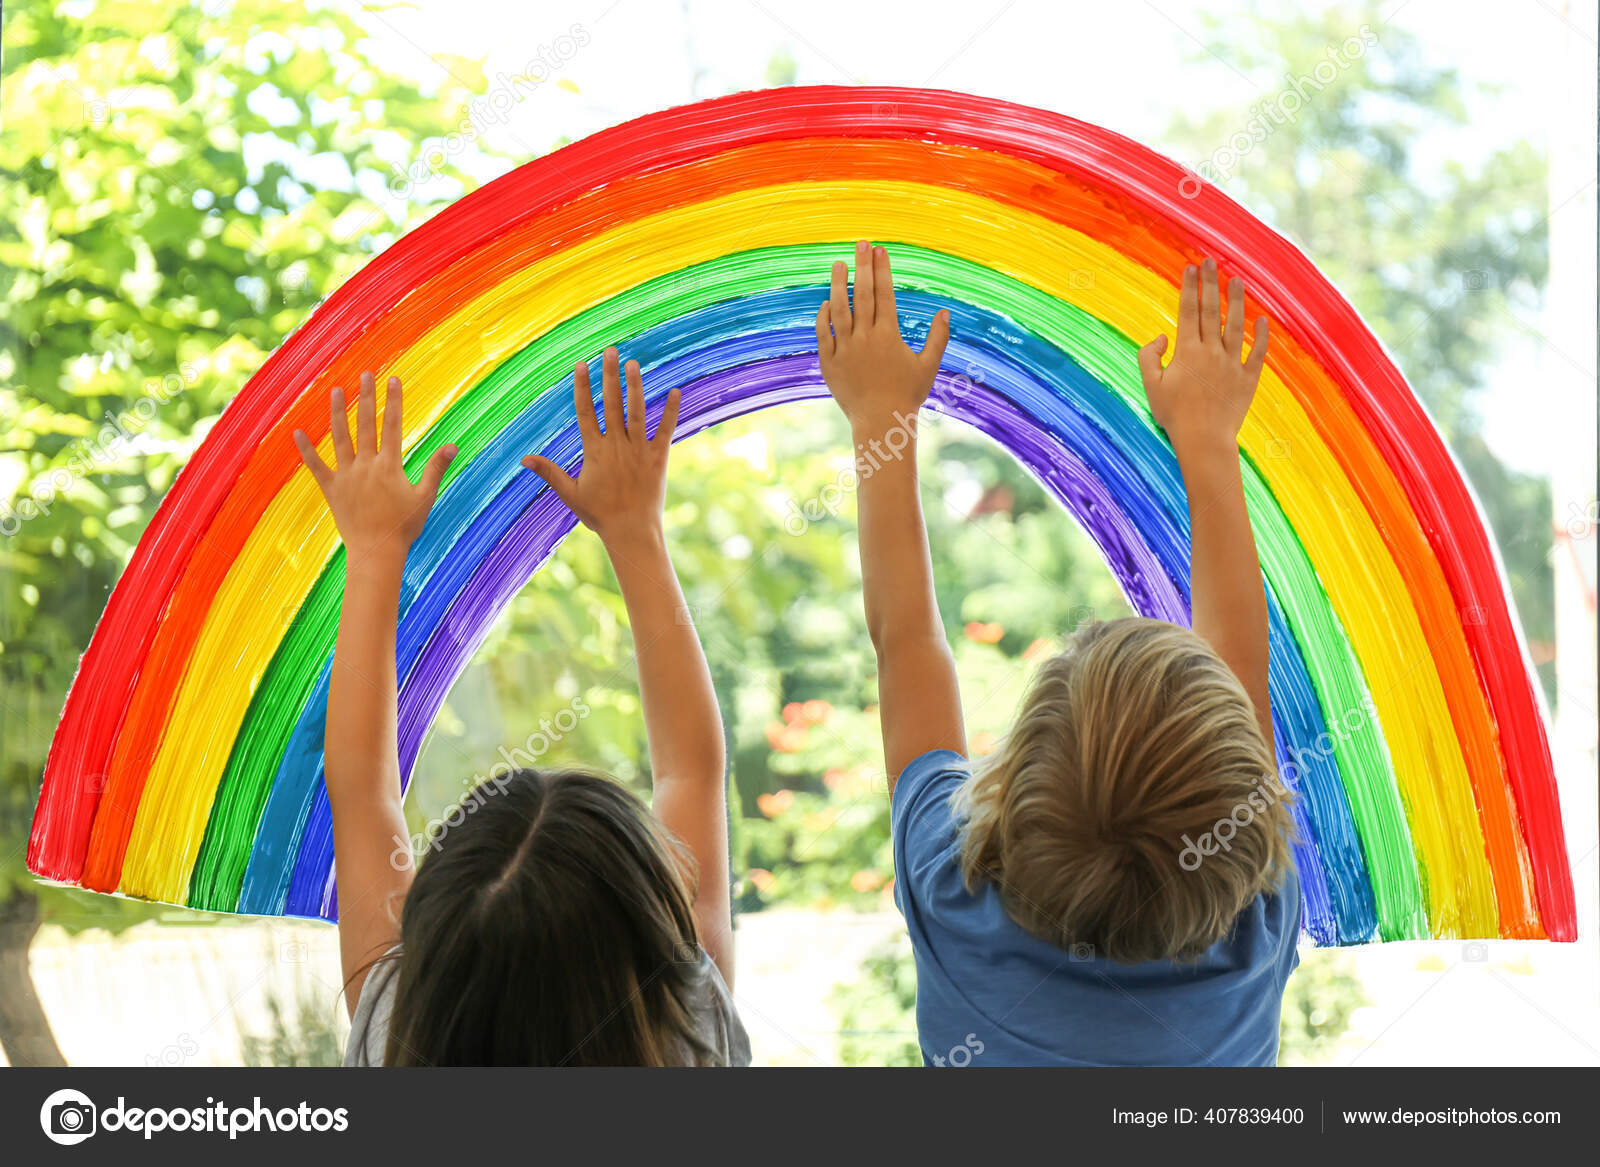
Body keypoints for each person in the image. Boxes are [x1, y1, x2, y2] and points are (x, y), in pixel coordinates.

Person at [815, 243, 1299, 1065]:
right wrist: (1210, 441)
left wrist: (879, 419)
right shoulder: (1250, 925)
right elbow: (904, 644)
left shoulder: (953, 885)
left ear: (1000, 793)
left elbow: (906, 643)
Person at [294, 348, 748, 1066]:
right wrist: (635, 534)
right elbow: (691, 774)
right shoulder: (687, 1031)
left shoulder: (398, 1025)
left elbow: (360, 795)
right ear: (658, 935)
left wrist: (374, 549)